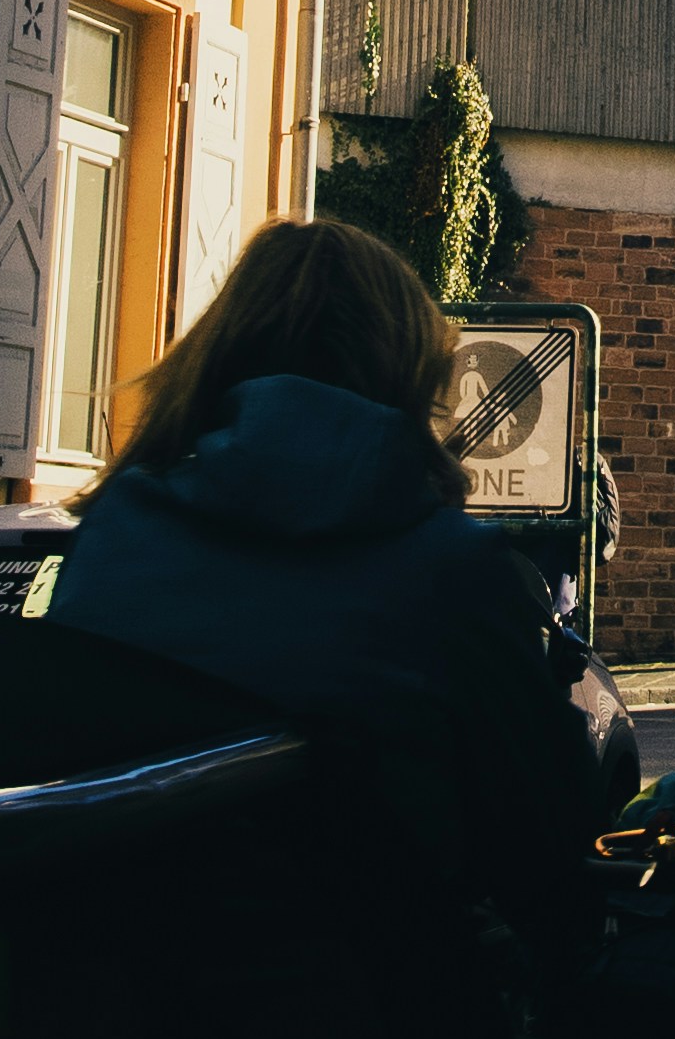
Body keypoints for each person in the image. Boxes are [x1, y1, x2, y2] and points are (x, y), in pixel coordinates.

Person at [56, 215, 635, 954]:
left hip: (115, 996)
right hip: (367, 1008)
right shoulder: (456, 572)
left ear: (215, 355)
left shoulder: (116, 531)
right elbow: (554, 876)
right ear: (407, 374)